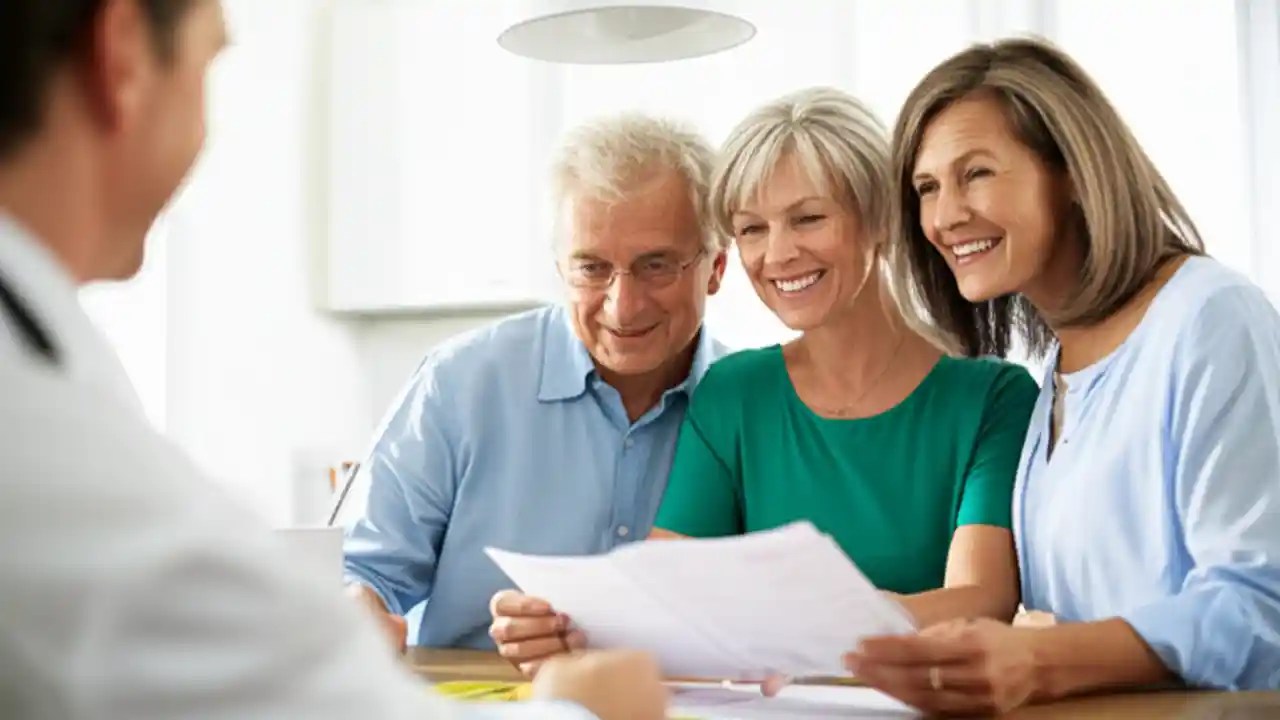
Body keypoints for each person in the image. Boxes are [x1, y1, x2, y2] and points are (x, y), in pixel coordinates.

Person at [0, 0, 667, 718]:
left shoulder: (42, 369)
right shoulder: (35, 423)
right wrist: (583, 711)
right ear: (123, 53)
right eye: (212, 62)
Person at [490, 87, 1040, 677]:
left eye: (807, 218)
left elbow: (980, 602)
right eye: (752, 229)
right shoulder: (735, 392)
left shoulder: (993, 398)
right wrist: (567, 626)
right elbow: (665, 589)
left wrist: (810, 627)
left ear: (879, 219)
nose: (778, 254)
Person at [847, 36, 1280, 715]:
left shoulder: (1209, 317)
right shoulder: (1054, 372)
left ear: (1072, 172)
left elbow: (1258, 606)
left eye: (977, 173)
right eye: (927, 188)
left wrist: (1038, 660)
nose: (944, 216)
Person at [339, 113, 731, 651]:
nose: (624, 305)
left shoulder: (750, 409)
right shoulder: (459, 385)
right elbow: (364, 573)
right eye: (592, 268)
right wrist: (356, 609)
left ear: (716, 267)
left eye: (656, 265)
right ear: (559, 266)